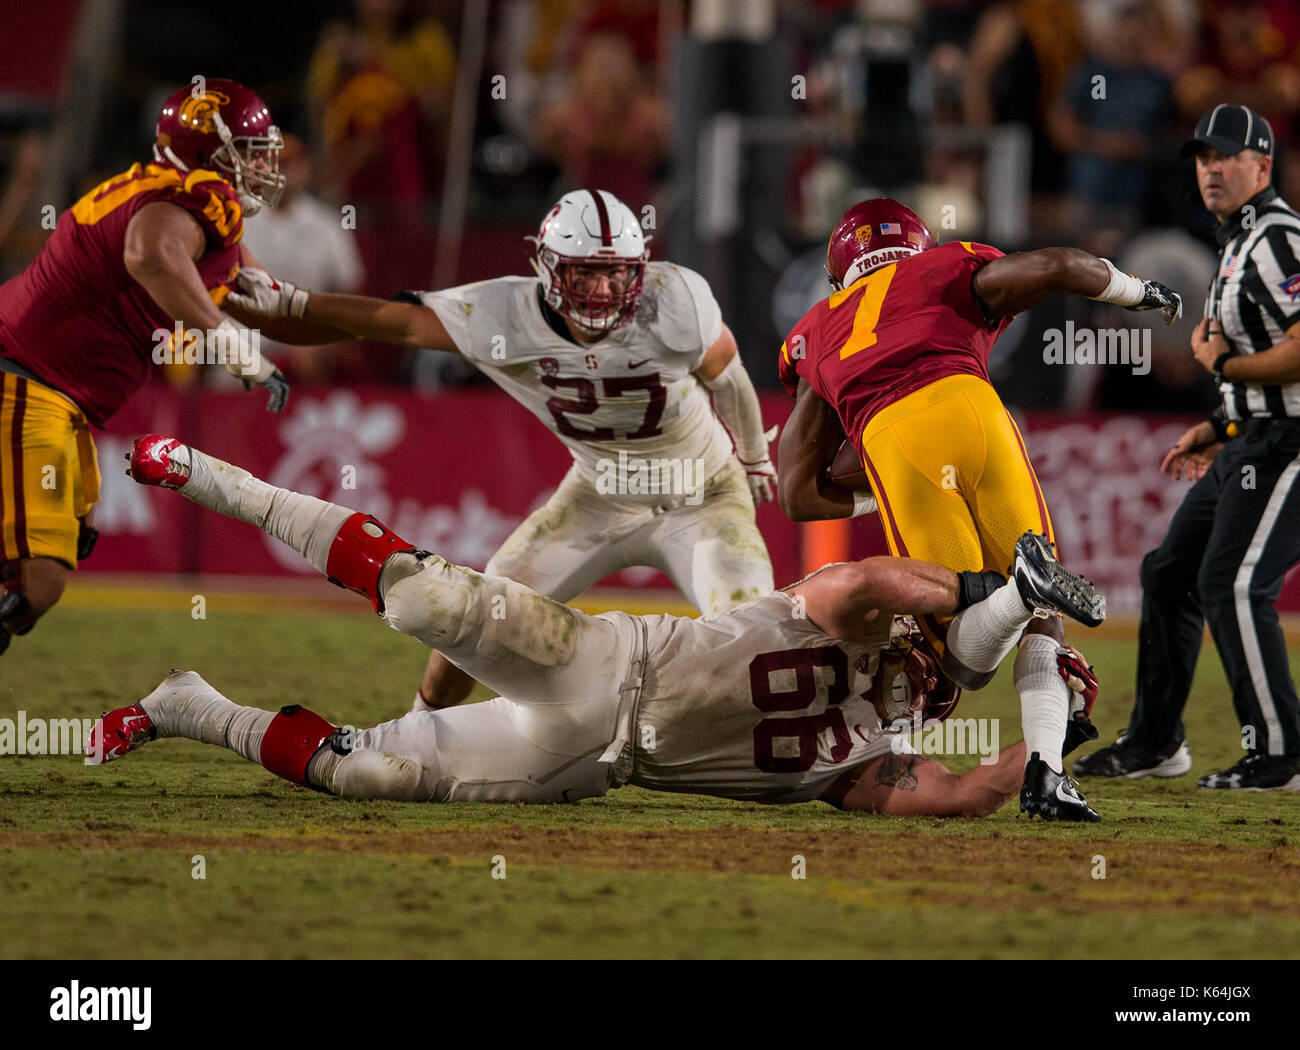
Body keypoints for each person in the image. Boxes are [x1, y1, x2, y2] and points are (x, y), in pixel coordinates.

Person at [87, 434, 1103, 820]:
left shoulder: (868, 761)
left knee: (359, 772)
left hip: (583, 761)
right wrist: (984, 591)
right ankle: (206, 473)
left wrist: (1051, 747)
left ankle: (191, 709)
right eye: (932, 646)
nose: (925, 672)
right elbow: (879, 575)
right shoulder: (851, 611)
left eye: (942, 671)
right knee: (423, 597)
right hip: (599, 659)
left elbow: (966, 789)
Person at [227, 188, 779, 713]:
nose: (604, 290)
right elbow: (389, 322)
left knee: (754, 640)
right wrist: (296, 301)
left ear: (640, 270)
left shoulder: (674, 301)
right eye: (586, 272)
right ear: (545, 264)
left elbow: (728, 379)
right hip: (599, 494)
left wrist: (753, 457)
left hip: (701, 493)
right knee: (476, 620)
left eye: (616, 272)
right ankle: (419, 724)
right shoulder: (503, 313)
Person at [774, 196, 1182, 817]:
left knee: (963, 662)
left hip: (895, 436)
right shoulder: (944, 265)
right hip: (977, 412)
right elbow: (1054, 265)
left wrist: (879, 478)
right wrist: (1137, 292)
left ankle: (1020, 592)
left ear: (838, 274)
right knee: (1046, 617)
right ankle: (1046, 775)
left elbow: (799, 493)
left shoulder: (819, 324)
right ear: (917, 246)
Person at [0, 78, 338, 656]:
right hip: (27, 382)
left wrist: (383, 321)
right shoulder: (196, 198)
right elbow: (150, 254)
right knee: (39, 581)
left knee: (57, 549)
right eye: (251, 153)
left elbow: (262, 293)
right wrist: (232, 347)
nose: (263, 167)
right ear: (211, 154)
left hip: (52, 391)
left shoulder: (168, 193)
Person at [1075, 104, 1300, 791]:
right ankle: (1155, 741)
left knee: (1234, 585)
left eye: (1224, 157)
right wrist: (1218, 425)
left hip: (1289, 443)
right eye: (1202, 159)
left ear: (1262, 165)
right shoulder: (1237, 242)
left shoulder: (1279, 240)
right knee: (1168, 575)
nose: (1210, 170)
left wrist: (1224, 370)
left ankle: (1282, 754)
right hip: (1251, 437)